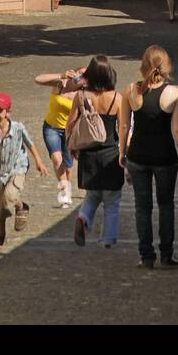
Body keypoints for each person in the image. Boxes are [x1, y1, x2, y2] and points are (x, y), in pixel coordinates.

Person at [120, 45, 178, 269]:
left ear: (143, 64)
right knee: (166, 205)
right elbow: (177, 129)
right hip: (164, 156)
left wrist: (122, 152)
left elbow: (123, 125)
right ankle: (167, 254)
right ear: (165, 65)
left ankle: (146, 256)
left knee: (142, 207)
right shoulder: (173, 93)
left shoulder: (130, 90)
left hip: (137, 155)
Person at [67, 56, 124, 249]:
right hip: (110, 153)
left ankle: (83, 219)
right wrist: (124, 153)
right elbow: (123, 128)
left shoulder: (81, 96)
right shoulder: (117, 98)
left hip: (88, 153)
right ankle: (107, 239)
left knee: (92, 195)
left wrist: (72, 146)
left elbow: (70, 125)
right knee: (112, 201)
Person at [0, 92, 48, 246]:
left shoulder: (18, 128)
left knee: (10, 194)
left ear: (7, 112)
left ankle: (21, 206)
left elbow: (30, 144)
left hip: (17, 168)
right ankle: (1, 237)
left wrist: (39, 161)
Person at [34, 66, 85, 207]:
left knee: (68, 166)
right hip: (51, 128)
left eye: (85, 75)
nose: (81, 76)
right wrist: (61, 75)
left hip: (70, 132)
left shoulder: (83, 93)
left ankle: (67, 186)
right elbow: (37, 79)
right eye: (80, 72)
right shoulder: (60, 84)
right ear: (74, 72)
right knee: (57, 160)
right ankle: (64, 191)